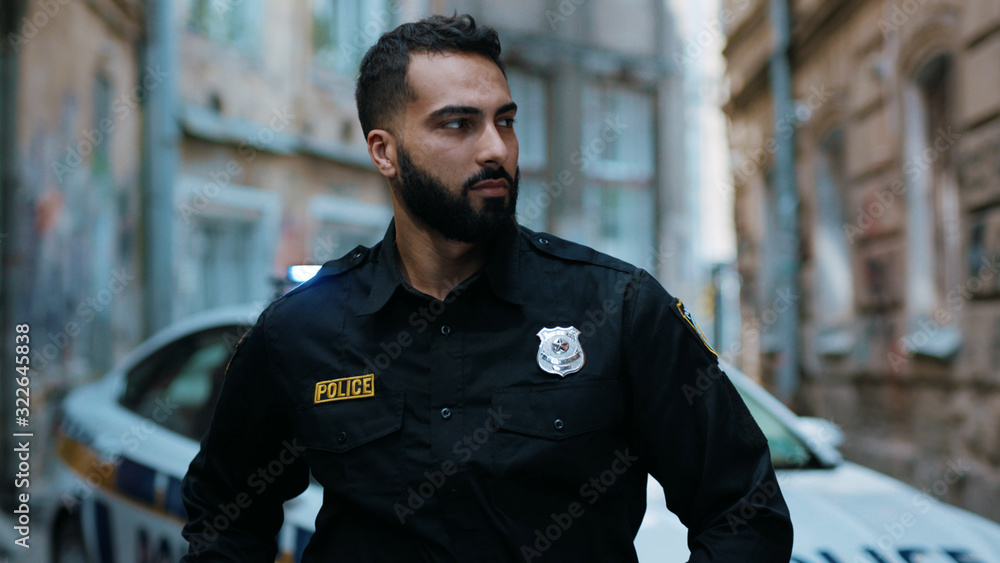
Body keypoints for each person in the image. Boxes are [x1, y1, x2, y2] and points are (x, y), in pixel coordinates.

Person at [181, 13, 793, 562]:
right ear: (384, 151)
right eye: (458, 125)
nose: (496, 150)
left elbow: (744, 511)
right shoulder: (304, 329)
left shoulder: (618, 308)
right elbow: (225, 515)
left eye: (505, 122)